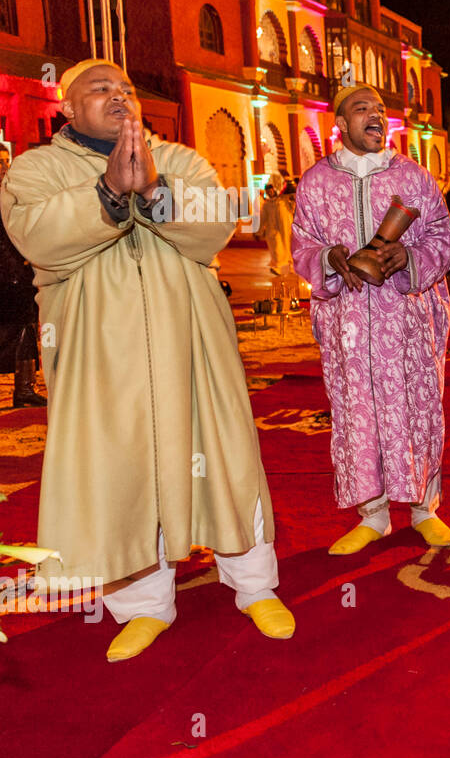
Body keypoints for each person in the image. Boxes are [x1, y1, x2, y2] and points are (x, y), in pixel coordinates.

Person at [0, 59, 292, 661]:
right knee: (120, 470)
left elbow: (214, 227)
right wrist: (106, 195)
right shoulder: (38, 169)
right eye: (100, 89)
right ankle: (141, 606)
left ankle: (255, 585)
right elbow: (36, 238)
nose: (119, 96)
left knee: (227, 458)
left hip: (194, 346)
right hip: (97, 355)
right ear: (68, 107)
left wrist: (155, 190)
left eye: (127, 88)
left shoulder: (180, 160)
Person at [291, 84, 450, 555]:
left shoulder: (415, 177)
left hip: (407, 320)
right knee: (356, 411)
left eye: (380, 110)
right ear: (339, 124)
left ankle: (425, 509)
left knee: (418, 406)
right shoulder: (315, 183)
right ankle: (373, 514)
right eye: (362, 109)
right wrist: (327, 258)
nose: (376, 115)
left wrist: (408, 256)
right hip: (347, 322)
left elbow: (446, 240)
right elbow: (300, 246)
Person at [0, 144, 45, 407]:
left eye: (6, 160)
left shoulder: (12, 194)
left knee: (25, 328)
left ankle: (24, 388)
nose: (4, 166)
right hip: (8, 273)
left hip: (21, 271)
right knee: (10, 330)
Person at [256, 171, 294, 276]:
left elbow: (293, 207)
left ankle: (287, 269)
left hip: (286, 229)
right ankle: (278, 268)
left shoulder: (283, 201)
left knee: (287, 248)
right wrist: (258, 232)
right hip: (273, 231)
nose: (270, 192)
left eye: (271, 190)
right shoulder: (267, 205)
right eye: (268, 191)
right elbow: (262, 218)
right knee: (277, 249)